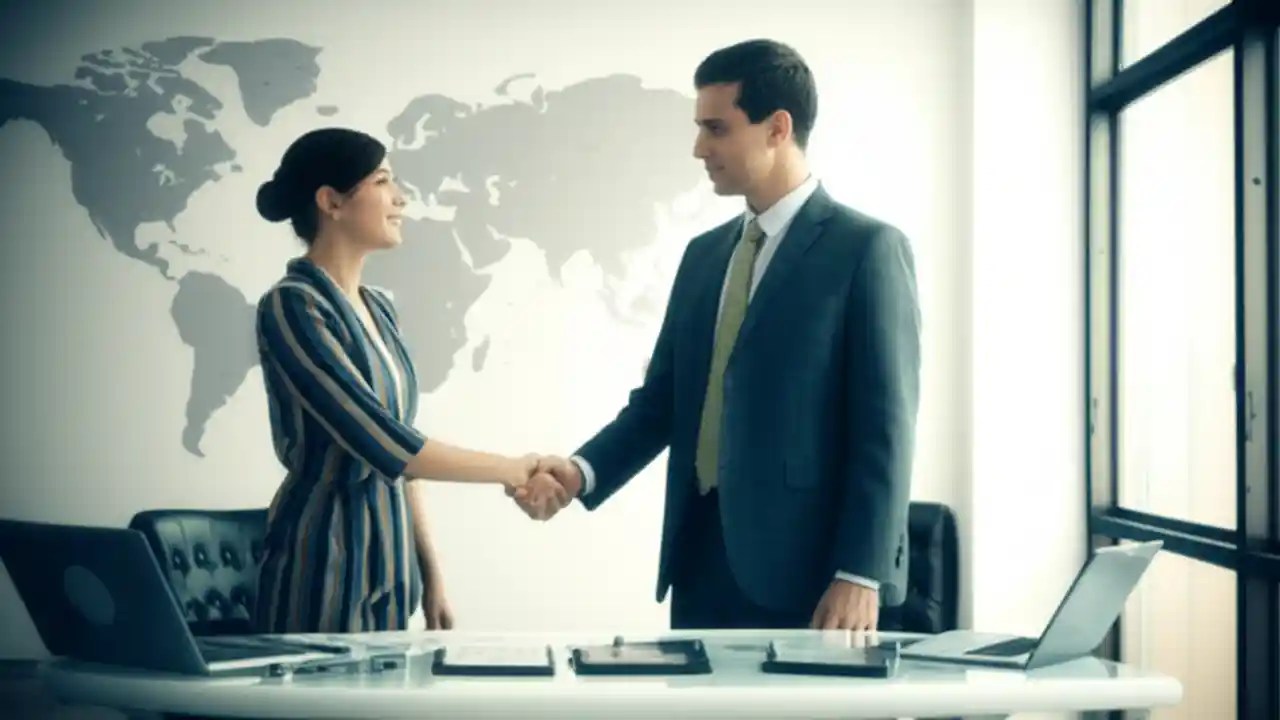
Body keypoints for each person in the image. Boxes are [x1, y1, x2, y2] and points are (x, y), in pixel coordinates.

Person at [514, 39, 921, 631]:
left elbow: (886, 427)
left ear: (777, 128)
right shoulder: (704, 256)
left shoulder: (867, 250)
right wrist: (579, 473)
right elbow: (664, 403)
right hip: (699, 560)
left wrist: (860, 574)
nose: (699, 148)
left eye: (716, 128)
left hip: (810, 580)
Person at [252, 127, 563, 634]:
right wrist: (514, 468)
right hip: (321, 558)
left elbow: (403, 453)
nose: (400, 199)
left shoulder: (380, 308)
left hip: (392, 562)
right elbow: (385, 443)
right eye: (382, 182)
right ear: (331, 201)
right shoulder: (293, 305)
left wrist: (431, 573)